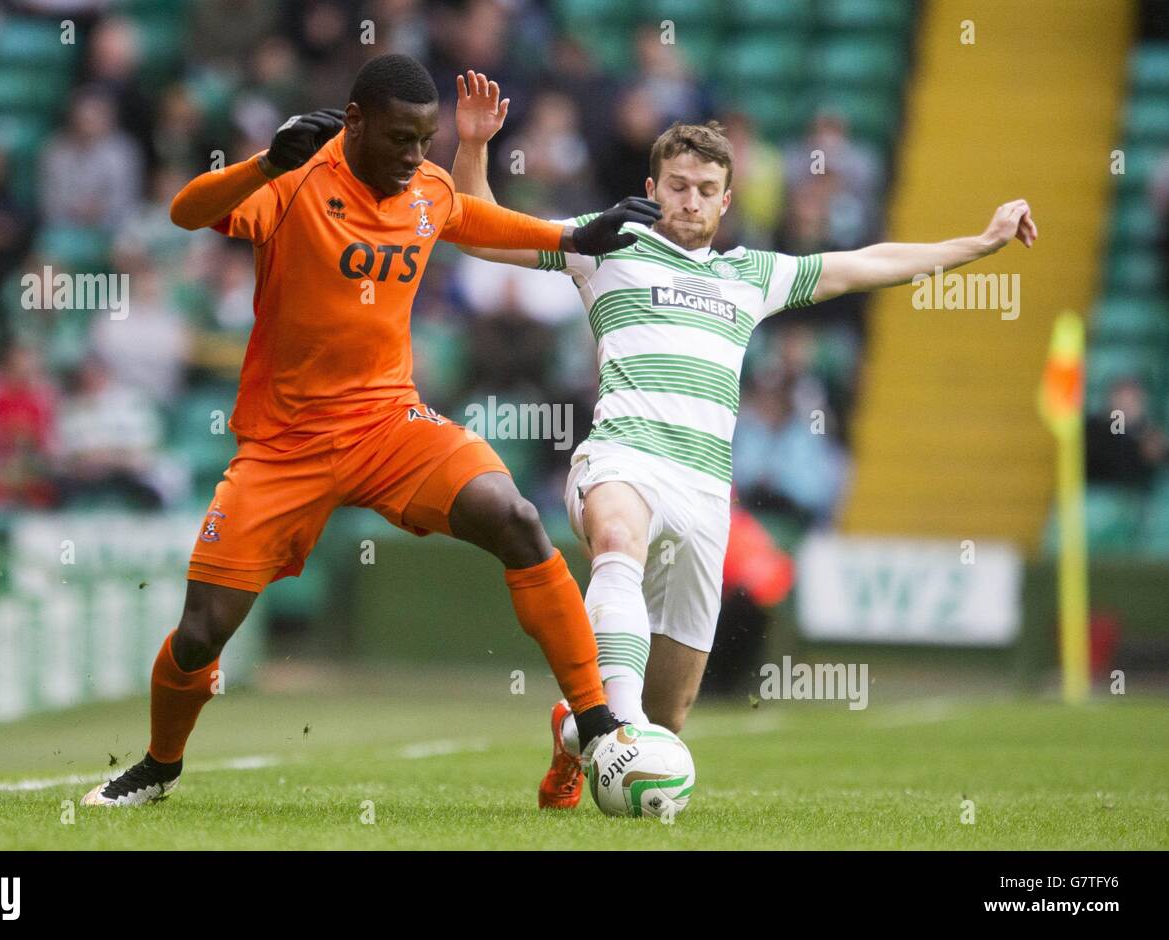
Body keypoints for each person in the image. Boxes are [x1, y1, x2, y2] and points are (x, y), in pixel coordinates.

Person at [82, 54, 663, 806]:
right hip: (285, 444)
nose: (415, 156)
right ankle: (160, 766)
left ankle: (599, 722)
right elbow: (187, 213)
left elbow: (484, 219)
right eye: (399, 139)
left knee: (516, 519)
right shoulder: (294, 183)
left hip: (390, 424)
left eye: (426, 139)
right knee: (201, 633)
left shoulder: (427, 187)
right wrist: (262, 164)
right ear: (354, 123)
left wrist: (582, 235)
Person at [449, 70, 1038, 808]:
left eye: (704, 189)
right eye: (676, 184)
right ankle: (611, 727)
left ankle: (578, 730)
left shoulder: (750, 274)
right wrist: (472, 146)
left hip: (703, 489)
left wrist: (980, 243)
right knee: (617, 543)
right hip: (624, 455)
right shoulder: (605, 244)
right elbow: (480, 229)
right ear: (653, 185)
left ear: (727, 201)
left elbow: (868, 265)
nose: (688, 199)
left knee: (672, 720)